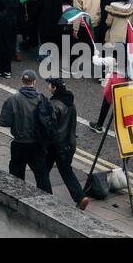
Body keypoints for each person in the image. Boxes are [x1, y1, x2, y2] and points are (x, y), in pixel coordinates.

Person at [0, 70, 52, 192]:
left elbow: (3, 122)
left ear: (22, 81)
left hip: (20, 143)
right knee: (41, 174)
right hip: (37, 143)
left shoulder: (13, 99)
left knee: (16, 173)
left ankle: (17, 197)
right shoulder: (42, 98)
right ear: (34, 82)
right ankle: (49, 200)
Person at [47, 77, 90, 209]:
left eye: (50, 85)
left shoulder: (54, 105)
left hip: (55, 145)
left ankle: (44, 196)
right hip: (69, 144)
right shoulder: (70, 102)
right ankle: (80, 197)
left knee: (42, 170)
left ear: (54, 88)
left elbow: (50, 126)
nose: (48, 86)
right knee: (66, 171)